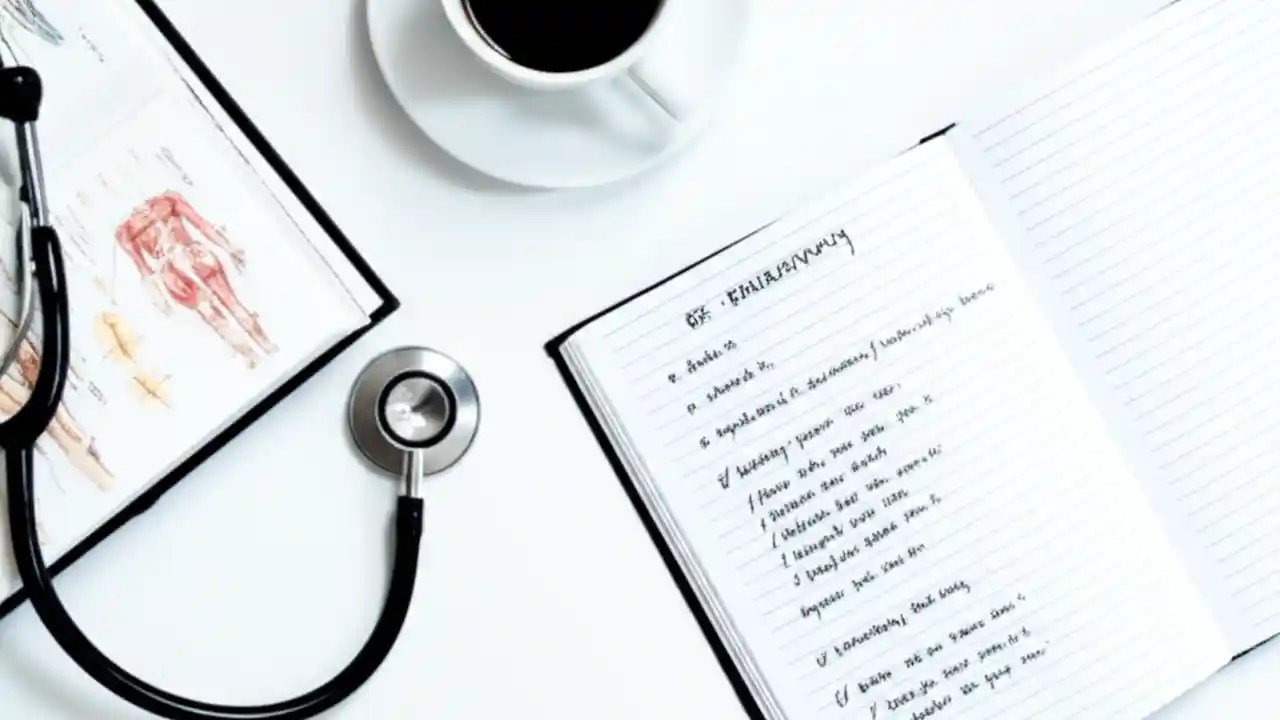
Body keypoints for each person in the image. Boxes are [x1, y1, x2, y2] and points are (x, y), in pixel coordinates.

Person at [115, 191, 277, 368]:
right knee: (228, 305)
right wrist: (230, 247)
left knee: (216, 315)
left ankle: (255, 355)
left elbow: (144, 270)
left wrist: (159, 298)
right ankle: (262, 349)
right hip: (191, 262)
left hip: (177, 271)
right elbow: (203, 226)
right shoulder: (164, 203)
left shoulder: (129, 229)